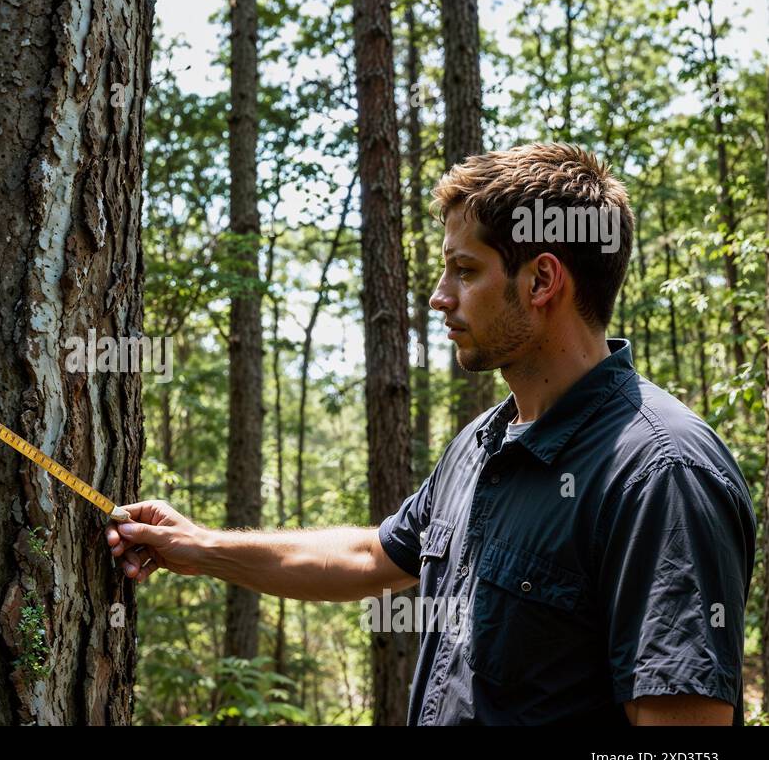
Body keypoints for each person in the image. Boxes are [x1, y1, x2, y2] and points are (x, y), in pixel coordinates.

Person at [107, 143, 757, 725]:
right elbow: (372, 558)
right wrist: (199, 547)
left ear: (542, 280)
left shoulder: (660, 472)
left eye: (465, 271)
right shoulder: (482, 443)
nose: (438, 297)